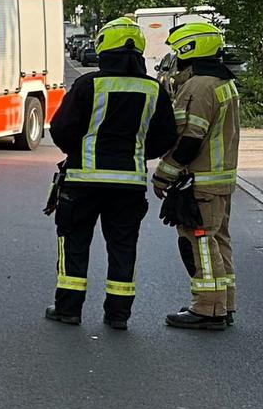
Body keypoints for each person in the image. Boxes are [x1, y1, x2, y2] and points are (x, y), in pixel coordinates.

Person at [46, 17, 177, 329]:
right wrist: (139, 154)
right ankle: (118, 315)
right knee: (123, 247)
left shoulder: (88, 84)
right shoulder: (154, 89)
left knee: (74, 243)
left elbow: (61, 128)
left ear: (104, 46)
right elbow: (167, 136)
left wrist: (77, 153)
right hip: (129, 185)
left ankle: (69, 309)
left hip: (83, 183)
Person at [153, 21, 241, 331]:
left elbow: (190, 138)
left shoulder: (199, 86)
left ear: (190, 50)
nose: (175, 59)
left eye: (178, 52)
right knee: (218, 241)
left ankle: (207, 308)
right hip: (220, 181)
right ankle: (224, 302)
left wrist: (163, 174)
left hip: (199, 181)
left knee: (198, 241)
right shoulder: (222, 82)